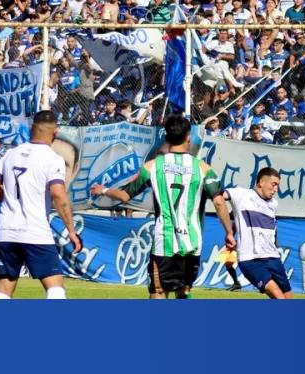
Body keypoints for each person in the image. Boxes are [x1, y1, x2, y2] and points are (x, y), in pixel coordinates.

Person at [90, 115, 232, 299]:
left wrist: (104, 190)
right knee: (184, 291)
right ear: (188, 136)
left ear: (166, 137)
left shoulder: (152, 167)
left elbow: (126, 195)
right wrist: (228, 232)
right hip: (192, 242)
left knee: (158, 291)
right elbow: (219, 201)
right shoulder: (203, 168)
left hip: (164, 241)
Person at [0, 110, 82, 299]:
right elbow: (58, 194)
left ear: (31, 129)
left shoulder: (11, 154)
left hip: (8, 232)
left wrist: (10, 201)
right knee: (55, 289)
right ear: (55, 133)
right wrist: (71, 230)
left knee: (3, 290)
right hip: (35, 232)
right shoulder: (52, 159)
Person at [212, 166, 291, 299]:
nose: (276, 189)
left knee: (288, 296)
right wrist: (230, 233)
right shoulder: (241, 194)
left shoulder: (274, 204)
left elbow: (272, 228)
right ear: (261, 182)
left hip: (272, 257)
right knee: (278, 295)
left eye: (278, 185)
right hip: (250, 259)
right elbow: (218, 196)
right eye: (274, 184)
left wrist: (275, 246)